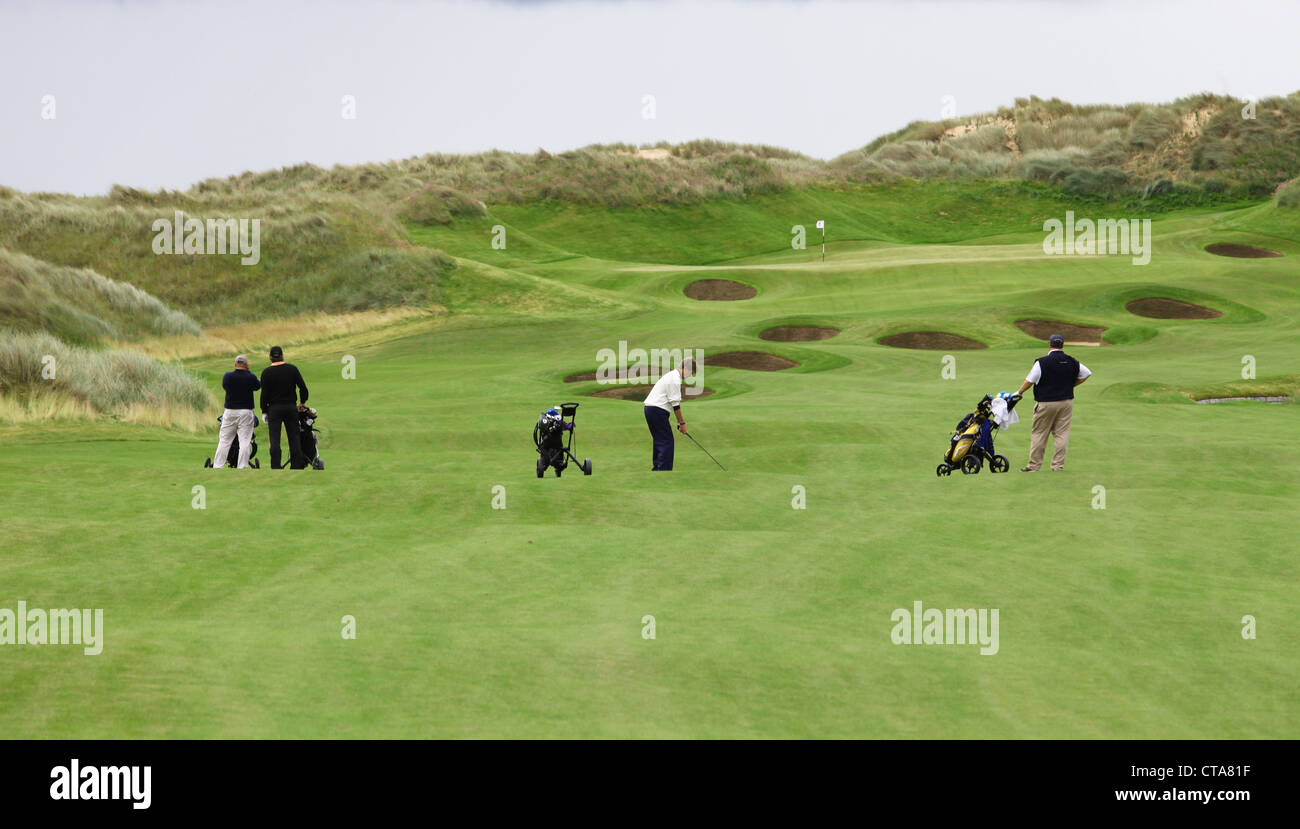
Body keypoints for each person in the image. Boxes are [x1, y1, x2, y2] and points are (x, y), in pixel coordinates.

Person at [1016, 334, 1092, 471]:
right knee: (1062, 434)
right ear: (1062, 345)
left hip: (1046, 403)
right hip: (1066, 402)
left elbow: (1030, 381)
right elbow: (1086, 373)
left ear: (1050, 345)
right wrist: (1071, 386)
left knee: (1039, 433)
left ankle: (1034, 466)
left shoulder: (1042, 362)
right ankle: (1057, 466)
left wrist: (1019, 392)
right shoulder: (1071, 361)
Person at [259, 345, 310, 469]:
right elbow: (303, 388)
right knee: (294, 437)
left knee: (275, 438)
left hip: (274, 409)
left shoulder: (266, 372)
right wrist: (302, 402)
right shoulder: (292, 369)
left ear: (270, 357)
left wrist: (264, 410)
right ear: (282, 355)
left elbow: (264, 395)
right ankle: (296, 465)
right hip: (290, 407)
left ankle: (276, 465)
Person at [642, 358, 694, 471]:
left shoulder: (672, 375)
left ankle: (657, 468)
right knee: (667, 441)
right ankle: (663, 470)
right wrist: (682, 423)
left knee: (659, 439)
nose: (690, 376)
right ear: (687, 369)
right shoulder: (675, 379)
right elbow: (675, 404)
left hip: (651, 409)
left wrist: (679, 423)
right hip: (656, 410)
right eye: (691, 373)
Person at [212, 355, 260, 469]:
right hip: (246, 411)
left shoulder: (228, 376)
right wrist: (249, 372)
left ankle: (218, 465)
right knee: (245, 440)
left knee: (224, 440)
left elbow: (225, 386)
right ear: (247, 365)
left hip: (230, 411)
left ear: (235, 365)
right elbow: (257, 386)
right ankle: (242, 466)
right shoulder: (251, 377)